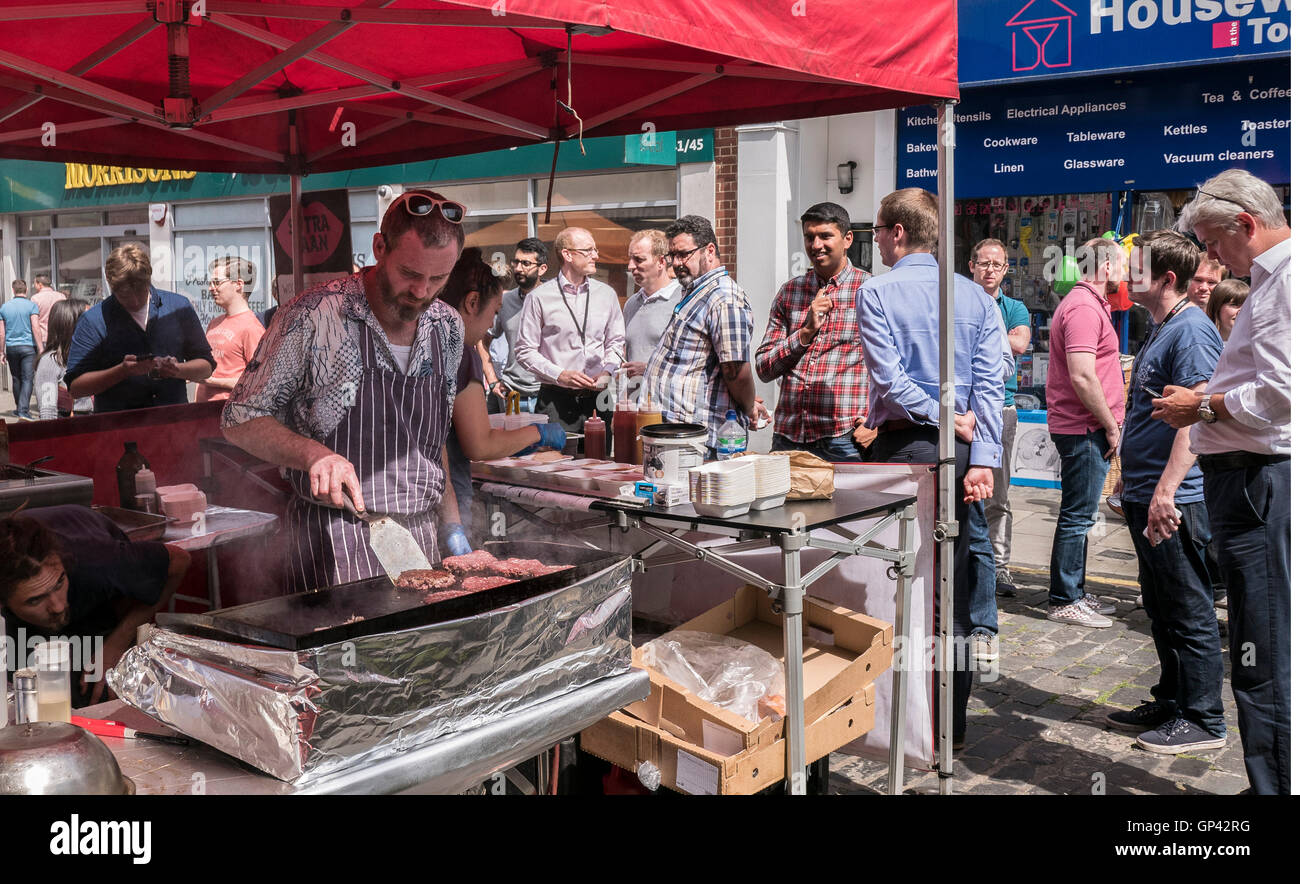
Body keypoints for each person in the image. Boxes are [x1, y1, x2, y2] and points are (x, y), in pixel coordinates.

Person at [222, 190, 471, 592]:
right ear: (378, 247)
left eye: (439, 278)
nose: (423, 291)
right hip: (333, 539)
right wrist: (313, 454)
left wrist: (453, 524)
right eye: (410, 273)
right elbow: (239, 417)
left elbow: (431, 439)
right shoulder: (312, 316)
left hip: (422, 540)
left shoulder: (448, 327)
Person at [1153, 168, 1290, 795]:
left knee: (1262, 650)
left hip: (1258, 483)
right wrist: (1210, 396)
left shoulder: (1284, 281)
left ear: (1246, 223)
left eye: (1214, 240)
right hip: (1246, 481)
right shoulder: (1271, 281)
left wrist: (1202, 409)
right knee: (1257, 640)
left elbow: (1282, 395)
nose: (1211, 256)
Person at [855, 188, 1005, 749]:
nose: (876, 241)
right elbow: (990, 387)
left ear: (897, 233)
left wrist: (948, 421)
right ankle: (948, 727)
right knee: (952, 587)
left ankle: (908, 723)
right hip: (958, 448)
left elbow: (891, 382)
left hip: (911, 451)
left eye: (877, 231)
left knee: (899, 585)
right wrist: (983, 455)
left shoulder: (877, 292)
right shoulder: (974, 297)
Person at [1106, 230, 1226, 753]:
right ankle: (1173, 699)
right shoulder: (1162, 325)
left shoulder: (1192, 332)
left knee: (1188, 606)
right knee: (1160, 604)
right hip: (1144, 491)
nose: (1123, 277)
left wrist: (1166, 492)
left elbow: (1195, 418)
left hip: (1174, 497)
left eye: (1134, 269)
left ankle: (1203, 718)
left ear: (1165, 279)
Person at [1, 505, 190, 707]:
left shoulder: (97, 564)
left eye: (58, 584)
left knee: (93, 688)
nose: (57, 606)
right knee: (23, 692)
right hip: (21, 617)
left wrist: (116, 643)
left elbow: (179, 561)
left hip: (93, 592)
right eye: (35, 600)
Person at [441, 249, 569, 533]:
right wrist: (539, 434)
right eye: (494, 312)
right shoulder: (460, 354)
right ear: (472, 302)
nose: (491, 324)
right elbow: (479, 445)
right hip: (448, 498)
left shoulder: (422, 340)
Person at [1044, 237, 1127, 628]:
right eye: (1124, 265)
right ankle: (1064, 598)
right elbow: (1081, 374)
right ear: (1106, 267)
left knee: (1082, 514)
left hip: (1086, 425)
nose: (1127, 273)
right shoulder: (1081, 307)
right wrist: (1110, 424)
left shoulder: (1088, 304)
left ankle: (1074, 590)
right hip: (1084, 427)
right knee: (1077, 516)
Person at [756, 202, 873, 462]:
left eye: (825, 236)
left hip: (844, 439)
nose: (816, 244)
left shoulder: (870, 292)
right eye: (809, 237)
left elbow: (892, 365)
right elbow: (764, 368)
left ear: (847, 239)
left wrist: (877, 422)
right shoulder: (790, 292)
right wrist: (805, 332)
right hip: (789, 437)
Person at [644, 215, 767, 455]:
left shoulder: (724, 297)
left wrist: (749, 405)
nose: (676, 263)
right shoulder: (696, 292)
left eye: (683, 254)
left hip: (698, 439)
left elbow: (735, 370)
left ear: (709, 250)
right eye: (673, 256)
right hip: (676, 433)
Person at [64, 243, 215, 413]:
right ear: (110, 284)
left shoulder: (178, 307)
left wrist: (177, 370)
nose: (135, 302)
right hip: (118, 429)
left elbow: (206, 367)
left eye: (142, 292)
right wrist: (121, 371)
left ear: (149, 278)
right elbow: (75, 388)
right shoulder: (93, 320)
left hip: (173, 424)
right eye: (125, 296)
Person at [515, 227, 624, 444]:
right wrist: (560, 374)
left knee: (599, 468)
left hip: (599, 399)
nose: (596, 255)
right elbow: (524, 350)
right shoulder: (539, 298)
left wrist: (608, 371)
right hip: (555, 401)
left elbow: (616, 341)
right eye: (589, 250)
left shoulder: (607, 294)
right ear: (568, 255)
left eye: (595, 249)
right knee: (552, 470)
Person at [968, 239, 1031, 598]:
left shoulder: (1014, 307)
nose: (990, 269)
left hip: (1000, 409)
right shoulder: (959, 299)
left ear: (1005, 269)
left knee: (998, 494)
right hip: (963, 409)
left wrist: (976, 340)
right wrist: (997, 340)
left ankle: (999, 566)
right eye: (984, 263)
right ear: (972, 265)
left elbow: (1020, 344)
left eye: (997, 264)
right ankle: (969, 562)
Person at [480, 237, 546, 414]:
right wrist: (492, 380)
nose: (518, 268)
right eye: (515, 262)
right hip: (512, 394)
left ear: (542, 269)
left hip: (547, 395)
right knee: (512, 442)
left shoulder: (555, 300)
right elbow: (482, 340)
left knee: (547, 443)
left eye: (525, 263)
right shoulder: (506, 300)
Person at [197, 257, 266, 404]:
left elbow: (259, 380)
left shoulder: (252, 328)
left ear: (238, 284)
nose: (211, 288)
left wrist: (212, 381)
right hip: (202, 415)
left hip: (230, 414)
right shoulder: (214, 323)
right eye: (210, 283)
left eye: (217, 282)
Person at [620, 229, 680, 390]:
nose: (631, 266)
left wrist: (648, 369)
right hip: (634, 403)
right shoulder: (631, 304)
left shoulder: (683, 300)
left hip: (669, 407)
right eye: (630, 259)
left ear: (661, 262)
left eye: (639, 259)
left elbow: (694, 363)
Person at [34, 298, 93, 419]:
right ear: (71, 325)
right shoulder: (50, 362)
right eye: (89, 320)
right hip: (70, 428)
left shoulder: (89, 354)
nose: (94, 324)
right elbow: (47, 412)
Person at [1, 279, 40, 420]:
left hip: (11, 348)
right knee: (28, 379)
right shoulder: (32, 306)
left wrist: (1, 352)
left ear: (13, 290)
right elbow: (35, 327)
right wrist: (41, 348)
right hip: (28, 347)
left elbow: (1, 333)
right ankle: (23, 410)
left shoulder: (4, 307)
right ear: (26, 290)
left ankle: (19, 409)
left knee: (16, 379)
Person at [30, 275, 65, 350]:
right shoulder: (61, 296)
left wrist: (40, 348)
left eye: (34, 284)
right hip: (59, 337)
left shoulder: (35, 298)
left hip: (43, 338)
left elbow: (35, 324)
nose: (34, 286)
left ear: (40, 285)